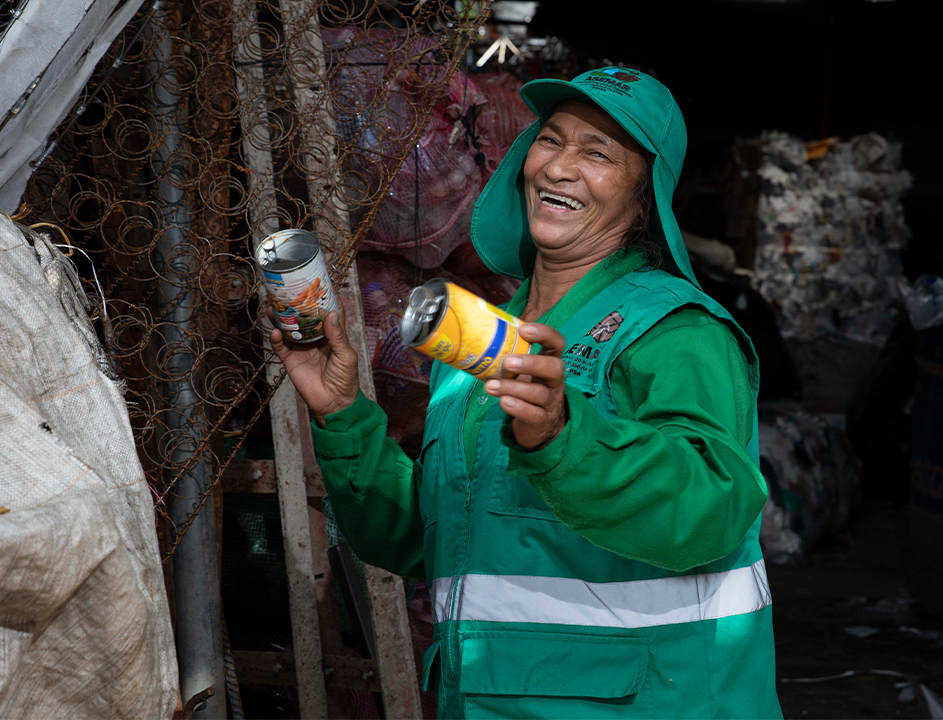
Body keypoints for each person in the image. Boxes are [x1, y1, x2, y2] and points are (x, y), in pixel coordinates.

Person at [272, 66, 782, 718]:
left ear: (643, 196)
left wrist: (565, 438)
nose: (560, 168)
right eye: (551, 141)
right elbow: (434, 538)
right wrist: (344, 415)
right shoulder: (480, 350)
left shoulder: (676, 332)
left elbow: (713, 509)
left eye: (597, 154)